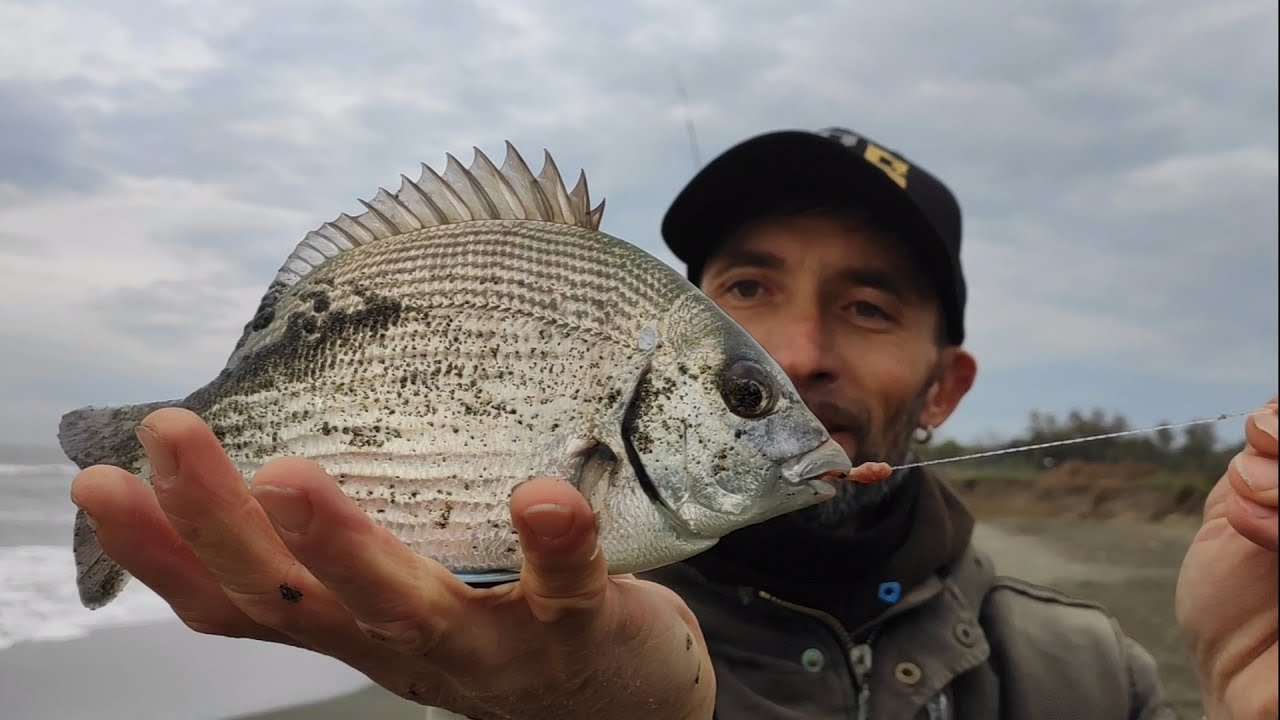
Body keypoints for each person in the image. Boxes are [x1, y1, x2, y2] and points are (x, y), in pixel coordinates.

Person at [68, 127, 1277, 720]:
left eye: (865, 305)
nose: (799, 358)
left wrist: (1240, 687)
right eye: (745, 298)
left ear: (944, 385)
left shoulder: (1085, 681)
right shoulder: (508, 637)